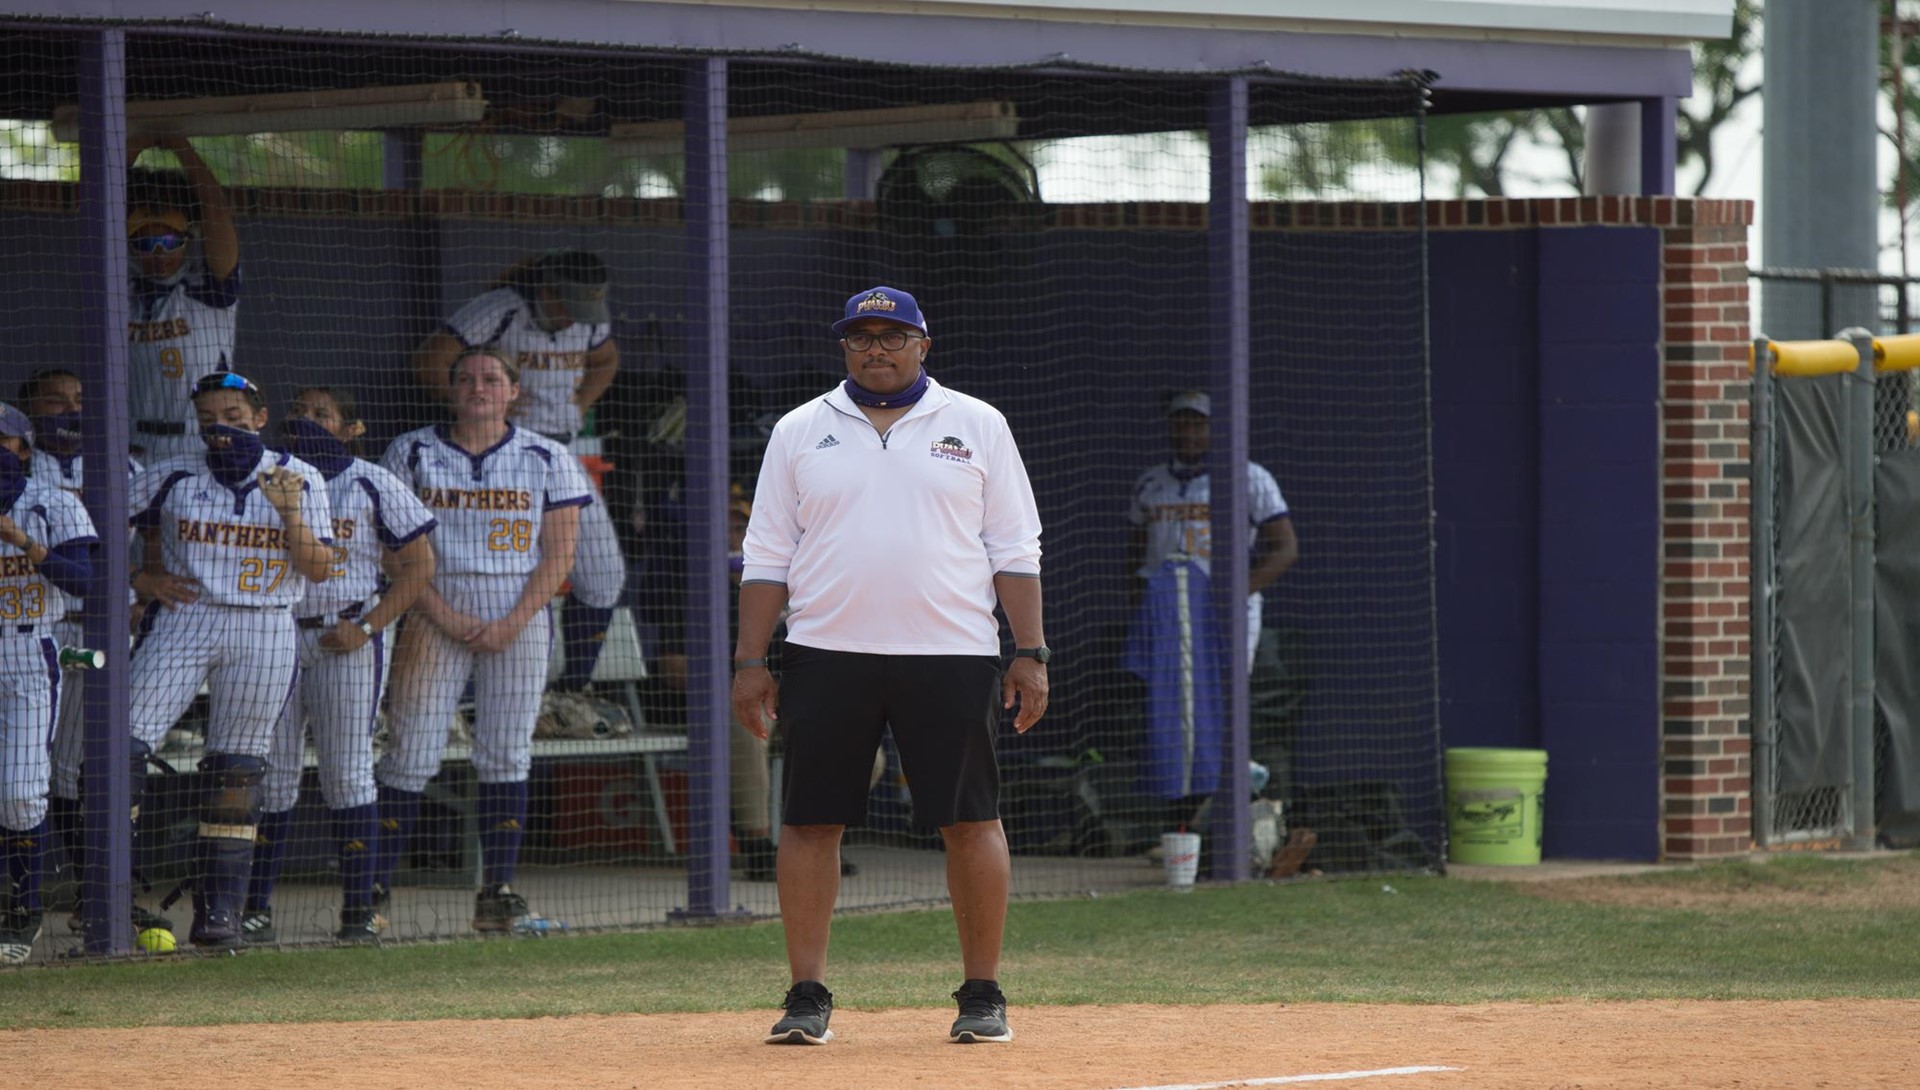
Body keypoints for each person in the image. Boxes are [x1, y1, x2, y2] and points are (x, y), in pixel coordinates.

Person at [734, 286, 1048, 1046]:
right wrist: (750, 659)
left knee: (970, 821)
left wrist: (1030, 651)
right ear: (843, 346)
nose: (877, 348)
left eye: (893, 335)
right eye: (861, 336)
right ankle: (806, 996)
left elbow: (1014, 548)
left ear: (923, 345)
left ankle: (982, 995)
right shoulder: (801, 428)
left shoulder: (977, 423)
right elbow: (767, 553)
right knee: (809, 822)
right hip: (825, 653)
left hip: (953, 653)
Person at [373, 346, 589, 933]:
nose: (478, 387)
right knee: (410, 752)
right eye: (465, 377)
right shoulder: (412, 449)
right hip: (430, 606)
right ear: (449, 389)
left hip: (518, 613)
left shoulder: (547, 454)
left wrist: (513, 620)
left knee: (506, 751)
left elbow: (561, 552)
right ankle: (370, 898)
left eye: (491, 378)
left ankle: (497, 894)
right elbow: (392, 549)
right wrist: (439, 610)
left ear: (513, 390)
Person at [126, 372, 335, 949]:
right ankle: (112, 899)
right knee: (120, 746)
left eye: (234, 418)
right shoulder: (174, 471)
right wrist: (141, 578)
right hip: (187, 614)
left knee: (236, 770)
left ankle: (219, 913)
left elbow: (319, 569)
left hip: (265, 621)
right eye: (210, 420)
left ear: (260, 418)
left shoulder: (302, 476)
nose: (222, 429)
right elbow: (99, 534)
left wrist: (289, 512)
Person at [239, 387, 437, 945]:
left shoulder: (372, 480)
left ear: (352, 428)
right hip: (274, 632)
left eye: (320, 414)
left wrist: (370, 626)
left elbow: (420, 566)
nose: (306, 421)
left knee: (347, 773)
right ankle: (253, 907)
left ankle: (359, 910)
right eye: (297, 410)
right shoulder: (264, 476)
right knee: (270, 777)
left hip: (343, 633)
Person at [411, 251, 624, 701]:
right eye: (567, 304)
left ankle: (570, 697)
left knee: (604, 575)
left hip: (559, 451)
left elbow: (606, 360)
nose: (573, 319)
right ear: (548, 291)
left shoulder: (588, 321)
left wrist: (580, 404)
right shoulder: (503, 308)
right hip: (497, 457)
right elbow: (432, 360)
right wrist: (482, 410)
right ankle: (462, 702)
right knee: (484, 574)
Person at [18, 369, 171, 936]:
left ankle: (99, 894)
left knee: (87, 763)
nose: (69, 410)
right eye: (56, 401)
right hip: (39, 628)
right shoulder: (19, 470)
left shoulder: (122, 466)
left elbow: (151, 536)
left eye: (80, 399)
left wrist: (139, 582)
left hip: (97, 636)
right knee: (45, 769)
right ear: (29, 412)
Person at [1124, 390, 1298, 852]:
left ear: (1215, 428)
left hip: (1226, 614)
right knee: (1172, 713)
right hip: (1168, 614)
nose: (1188, 431)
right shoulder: (1151, 482)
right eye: (1180, 422)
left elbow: (1285, 547)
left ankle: (1232, 823)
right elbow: (1133, 551)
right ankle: (1179, 829)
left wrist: (1233, 593)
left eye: (1198, 423)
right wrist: (1146, 598)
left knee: (1221, 707)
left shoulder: (1249, 477)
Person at [0, 403, 98, 963]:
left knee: (19, 792)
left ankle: (24, 909)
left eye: (4, 440)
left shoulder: (53, 501)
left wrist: (23, 541)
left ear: (25, 448)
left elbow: (84, 581)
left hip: (27, 646)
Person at [126, 137, 241, 464]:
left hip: (196, 444)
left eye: (169, 241)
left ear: (187, 238)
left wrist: (178, 144)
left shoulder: (207, 286)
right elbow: (93, 211)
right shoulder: (119, 289)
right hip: (133, 446)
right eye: (146, 243)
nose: (159, 253)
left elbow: (215, 209)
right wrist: (130, 139)